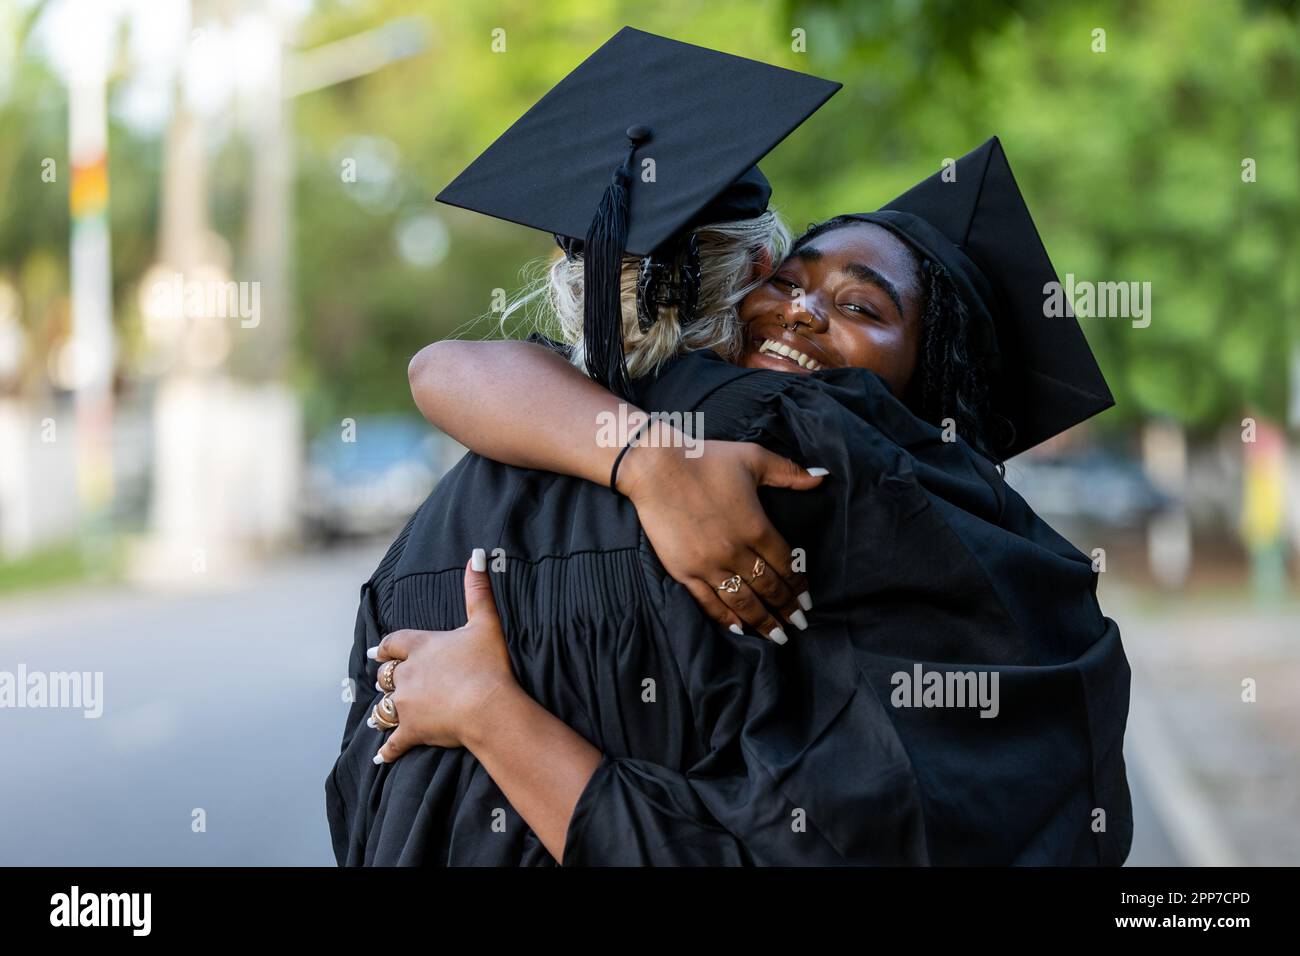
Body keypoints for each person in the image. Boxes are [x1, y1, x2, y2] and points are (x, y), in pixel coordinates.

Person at [325, 32, 1132, 865]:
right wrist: (647, 461)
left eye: (863, 307)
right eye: (788, 281)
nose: (803, 311)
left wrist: (494, 713)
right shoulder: (802, 475)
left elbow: (360, 799)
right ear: (753, 268)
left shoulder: (463, 489)